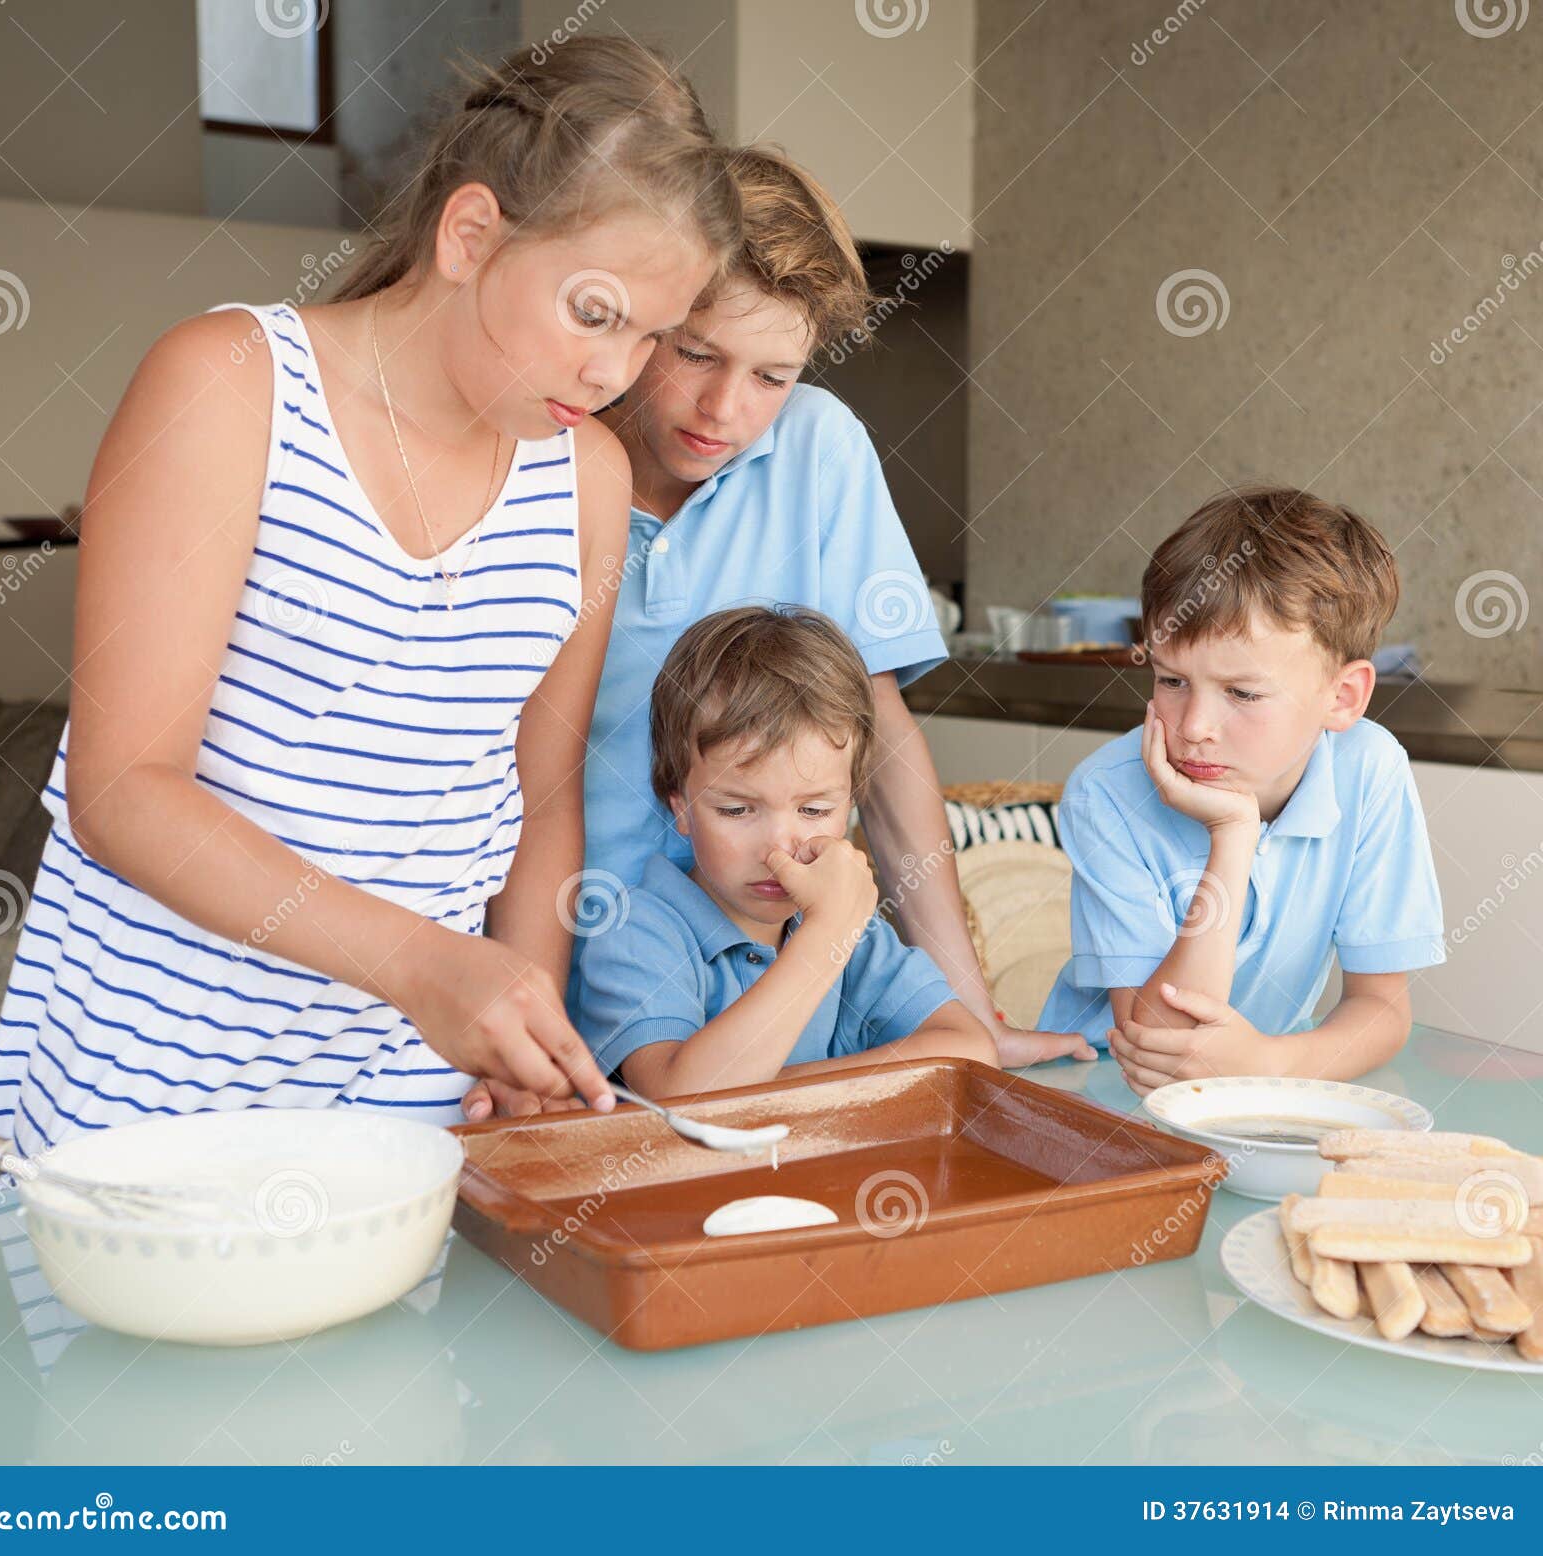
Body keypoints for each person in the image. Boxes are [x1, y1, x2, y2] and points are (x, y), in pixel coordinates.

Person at [0, 37, 741, 1158]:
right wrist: (430, 964)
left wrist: (515, 1019)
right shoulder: (231, 389)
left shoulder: (586, 480)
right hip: (157, 1077)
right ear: (470, 235)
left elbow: (541, 799)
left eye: (649, 338)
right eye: (593, 313)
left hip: (413, 1093)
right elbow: (123, 787)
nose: (612, 374)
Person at [467, 145, 1091, 1123]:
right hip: (553, 965)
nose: (726, 411)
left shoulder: (820, 448)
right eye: (697, 355)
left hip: (758, 965)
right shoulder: (539, 452)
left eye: (772, 375)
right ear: (647, 316)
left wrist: (966, 1006)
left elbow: (880, 738)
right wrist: (511, 1015)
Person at [1036, 486, 1445, 1092]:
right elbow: (1161, 1042)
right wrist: (1233, 835)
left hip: (1254, 1089)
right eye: (1172, 680)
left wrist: (1270, 1065)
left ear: (1343, 697)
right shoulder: (1107, 794)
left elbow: (1383, 1011)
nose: (1194, 727)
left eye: (1243, 693)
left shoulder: (1371, 770)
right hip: (1105, 1092)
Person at [576, 606, 999, 1094]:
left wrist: (765, 1086)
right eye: (737, 810)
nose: (779, 848)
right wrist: (824, 938)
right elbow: (681, 1098)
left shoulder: (855, 933)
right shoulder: (637, 931)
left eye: (815, 810)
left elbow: (971, 1048)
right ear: (681, 807)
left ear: (851, 800)